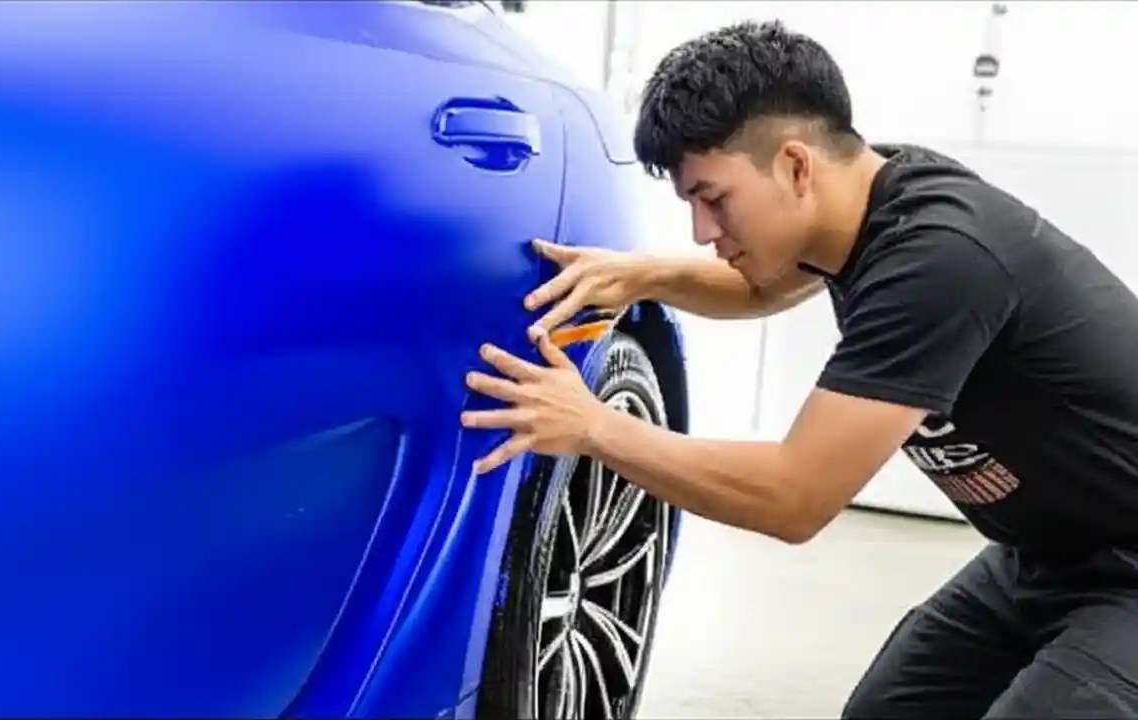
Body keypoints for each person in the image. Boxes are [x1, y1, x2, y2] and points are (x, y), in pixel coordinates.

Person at [458, 18, 1138, 718]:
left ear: (794, 165)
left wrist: (593, 428)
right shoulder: (867, 202)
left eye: (713, 198)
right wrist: (642, 276)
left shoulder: (941, 258)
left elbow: (793, 498)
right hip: (1043, 556)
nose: (702, 231)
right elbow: (769, 285)